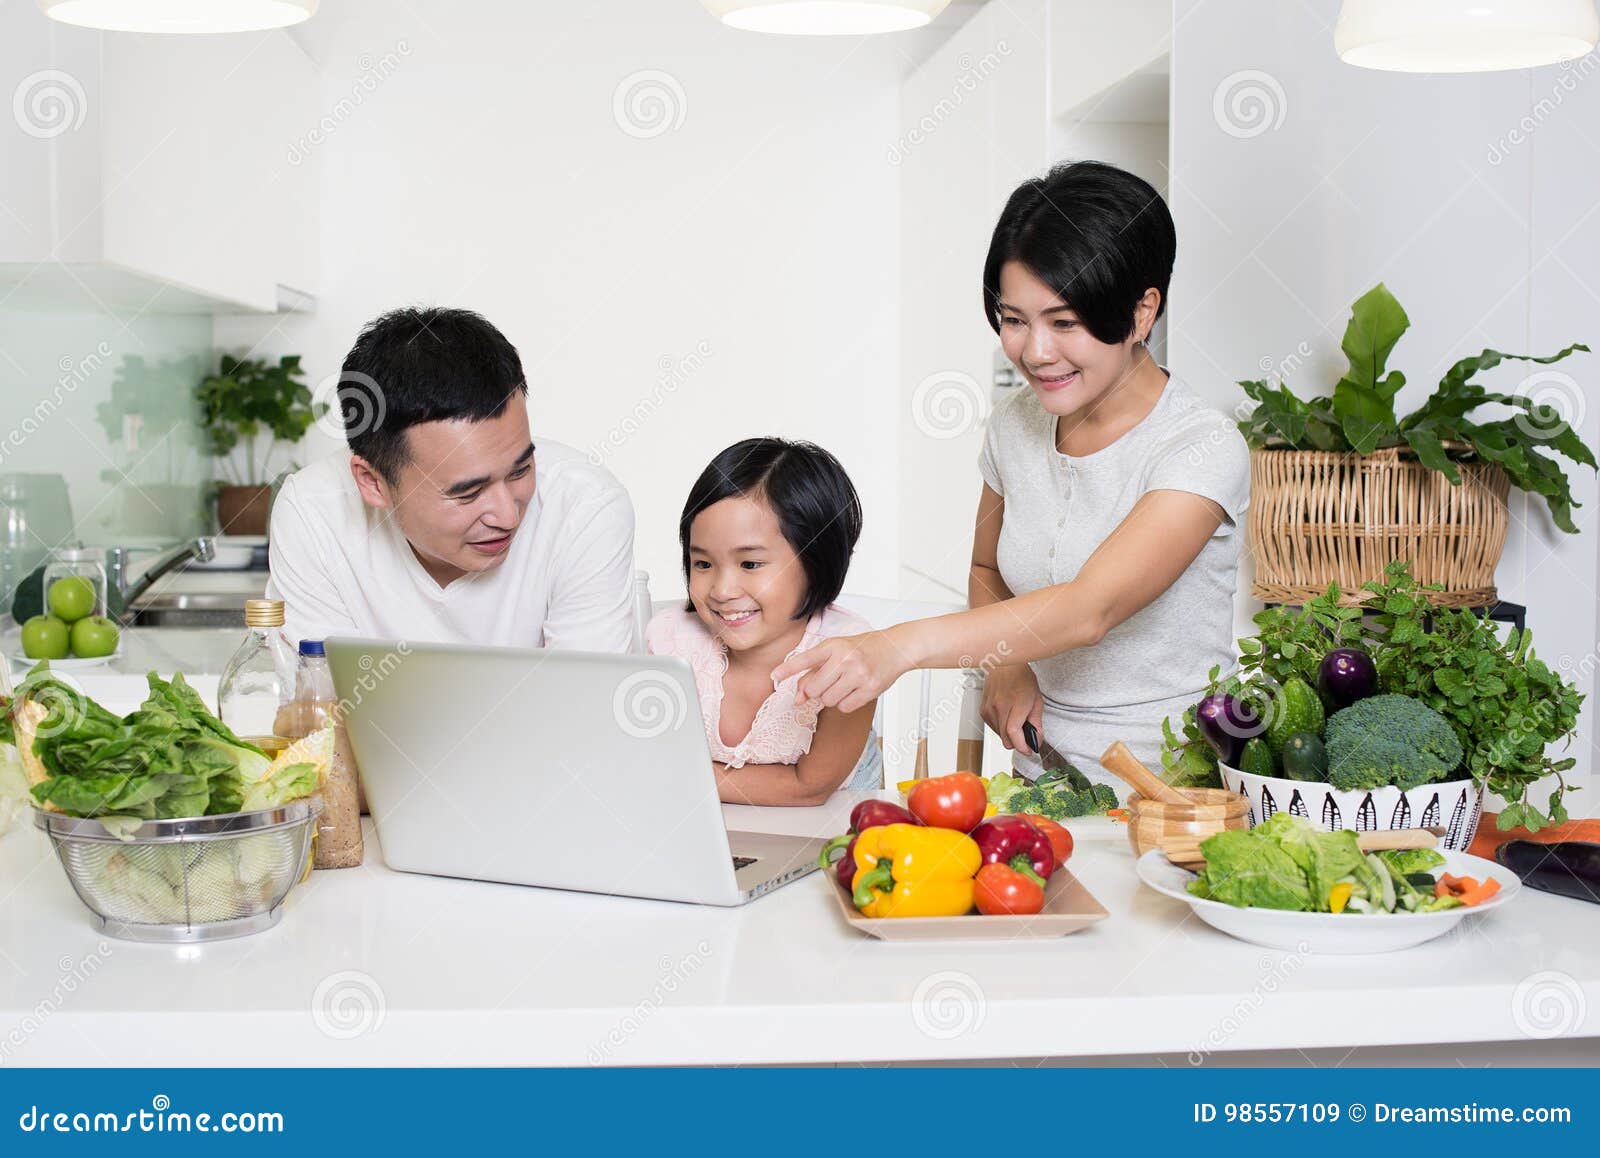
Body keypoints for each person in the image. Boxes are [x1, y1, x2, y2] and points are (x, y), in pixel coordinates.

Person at [773, 161, 1250, 787]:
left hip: (1172, 789)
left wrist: (897, 647)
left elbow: (1090, 609)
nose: (1034, 352)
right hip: (1039, 776)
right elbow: (986, 570)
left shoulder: (1200, 447)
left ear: (1140, 313)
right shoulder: (1015, 426)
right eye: (1014, 319)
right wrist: (1005, 667)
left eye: (1064, 323)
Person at [267, 307, 635, 651]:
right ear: (373, 482)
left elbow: (585, 707)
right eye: (469, 493)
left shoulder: (585, 504)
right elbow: (321, 705)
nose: (507, 516)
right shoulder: (311, 513)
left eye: (520, 471)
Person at [646, 438, 880, 805]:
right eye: (703, 563)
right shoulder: (671, 641)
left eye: (750, 564)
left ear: (816, 560)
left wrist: (676, 776)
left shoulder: (848, 654)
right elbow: (643, 755)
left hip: (824, 845)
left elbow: (810, 788)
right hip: (705, 839)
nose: (722, 590)